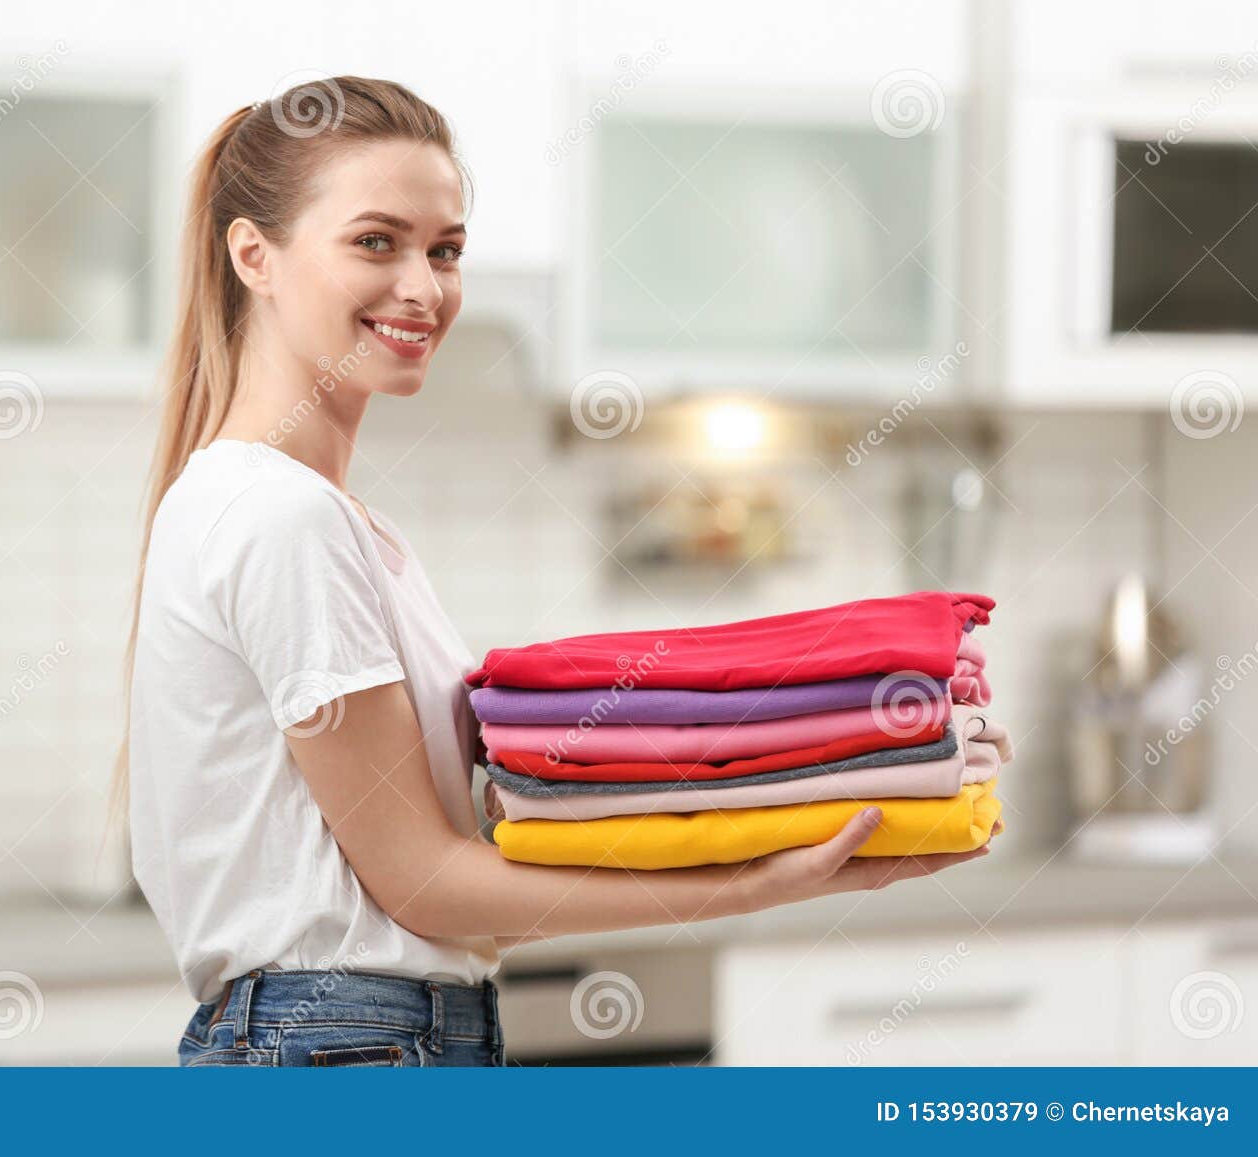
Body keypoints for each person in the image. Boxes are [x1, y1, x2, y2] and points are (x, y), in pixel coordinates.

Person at [111, 76, 997, 1068]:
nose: (423, 286)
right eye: (375, 241)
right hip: (346, 1045)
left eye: (444, 250)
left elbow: (465, 837)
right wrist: (755, 883)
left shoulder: (310, 515)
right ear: (253, 255)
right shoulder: (281, 516)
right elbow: (425, 881)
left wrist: (862, 773)